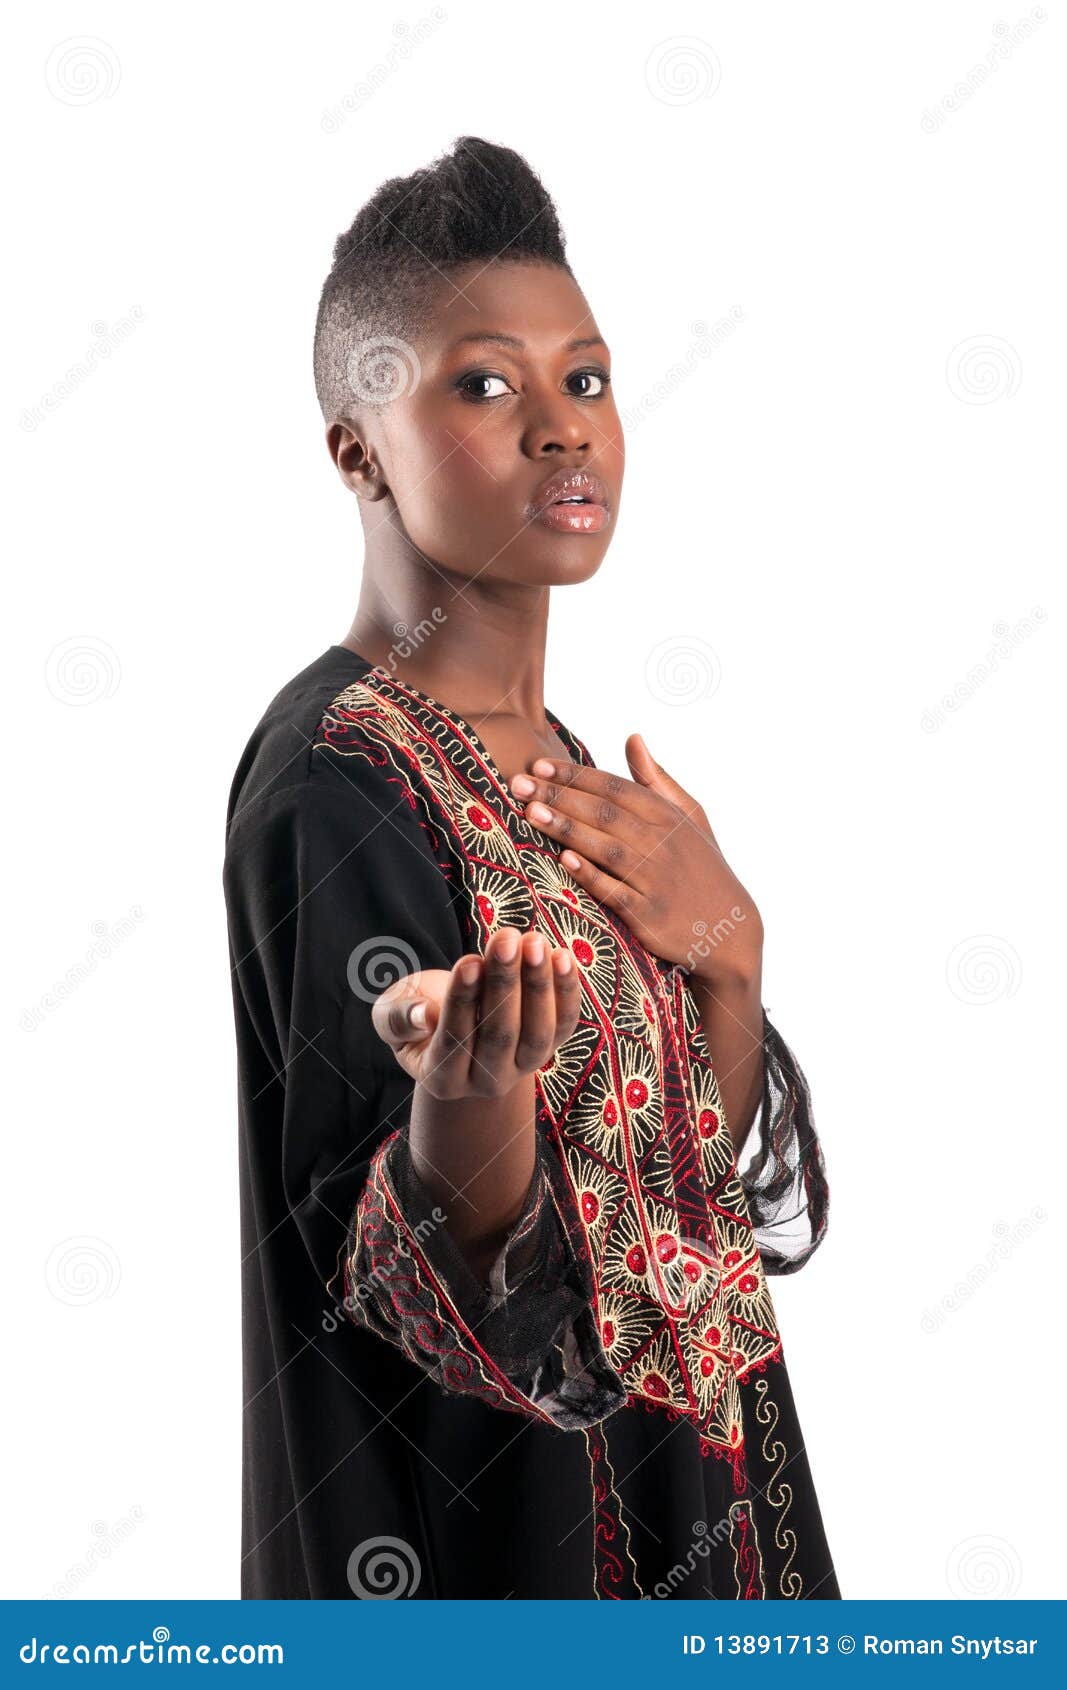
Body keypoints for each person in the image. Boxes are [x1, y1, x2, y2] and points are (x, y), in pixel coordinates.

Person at [223, 135, 840, 1601]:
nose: (563, 428)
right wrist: (468, 1100)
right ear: (357, 447)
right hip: (496, 1572)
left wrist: (731, 955)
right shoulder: (339, 780)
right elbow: (402, 1288)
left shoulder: (565, 767)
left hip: (724, 1529)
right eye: (486, 385)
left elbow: (680, 1205)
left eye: (590, 377)